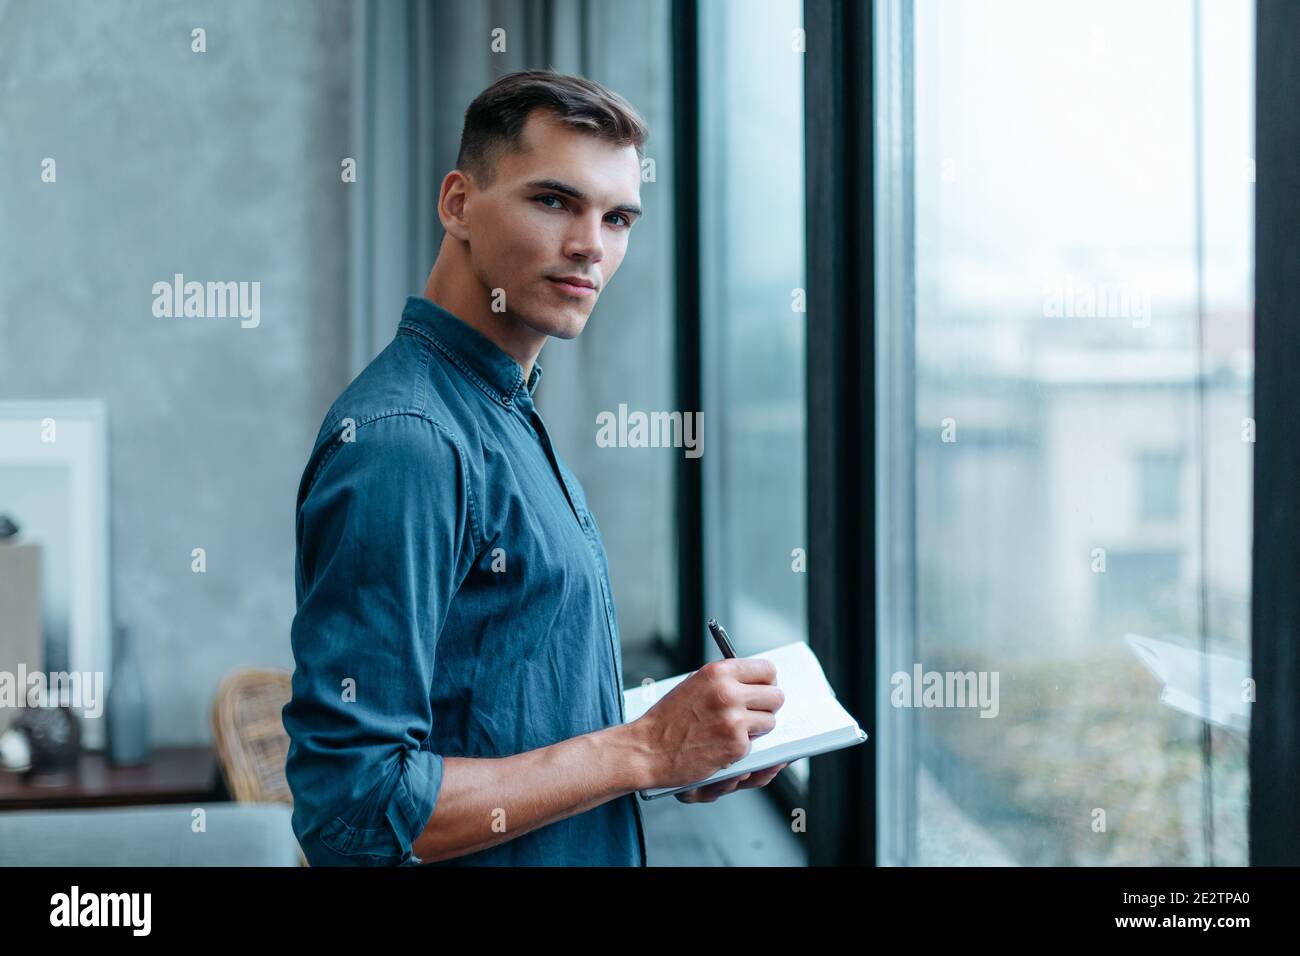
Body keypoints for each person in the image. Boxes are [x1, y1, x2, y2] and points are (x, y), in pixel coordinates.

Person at [282, 69, 786, 867]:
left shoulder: (502, 411)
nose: (592, 243)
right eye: (554, 200)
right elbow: (355, 811)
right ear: (458, 205)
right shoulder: (407, 441)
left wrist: (683, 739)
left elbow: (501, 708)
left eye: (618, 217)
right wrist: (644, 749)